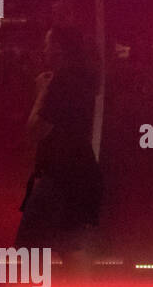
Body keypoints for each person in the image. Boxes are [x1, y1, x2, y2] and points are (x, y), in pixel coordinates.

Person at [16, 24, 103, 270]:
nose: (44, 50)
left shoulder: (61, 82)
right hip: (82, 175)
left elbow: (36, 130)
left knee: (28, 250)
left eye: (47, 44)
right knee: (70, 249)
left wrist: (41, 93)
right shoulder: (86, 78)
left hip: (58, 178)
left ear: (59, 48)